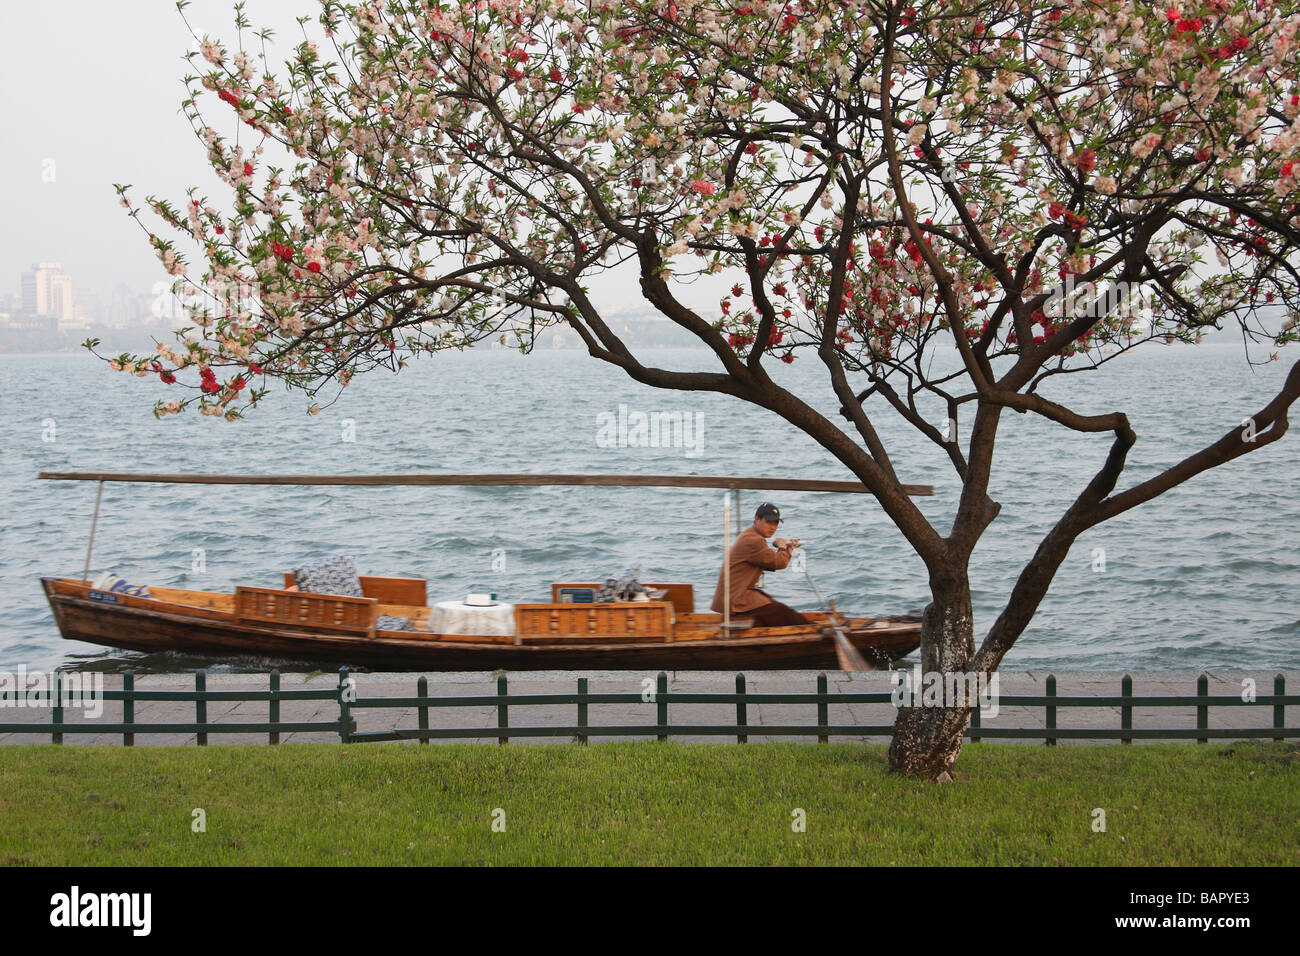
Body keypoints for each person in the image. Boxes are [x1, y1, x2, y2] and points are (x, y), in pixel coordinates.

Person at [710, 502, 811, 627]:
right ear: (757, 519)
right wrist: (782, 546)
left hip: (735, 595)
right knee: (784, 613)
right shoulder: (754, 540)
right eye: (769, 522)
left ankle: (811, 627)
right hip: (736, 599)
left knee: (773, 604)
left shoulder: (750, 535)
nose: (773, 527)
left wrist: (788, 549)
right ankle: (816, 630)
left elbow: (769, 561)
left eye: (776, 523)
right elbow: (779, 562)